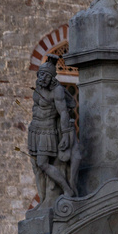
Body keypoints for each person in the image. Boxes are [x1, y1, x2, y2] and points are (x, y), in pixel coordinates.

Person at [28, 55, 79, 206]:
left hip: (47, 130)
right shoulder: (38, 88)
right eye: (40, 74)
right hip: (34, 130)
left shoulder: (57, 91)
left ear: (51, 77)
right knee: (36, 165)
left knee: (43, 163)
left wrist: (64, 135)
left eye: (45, 75)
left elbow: (63, 112)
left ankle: (67, 189)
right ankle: (43, 200)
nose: (41, 78)